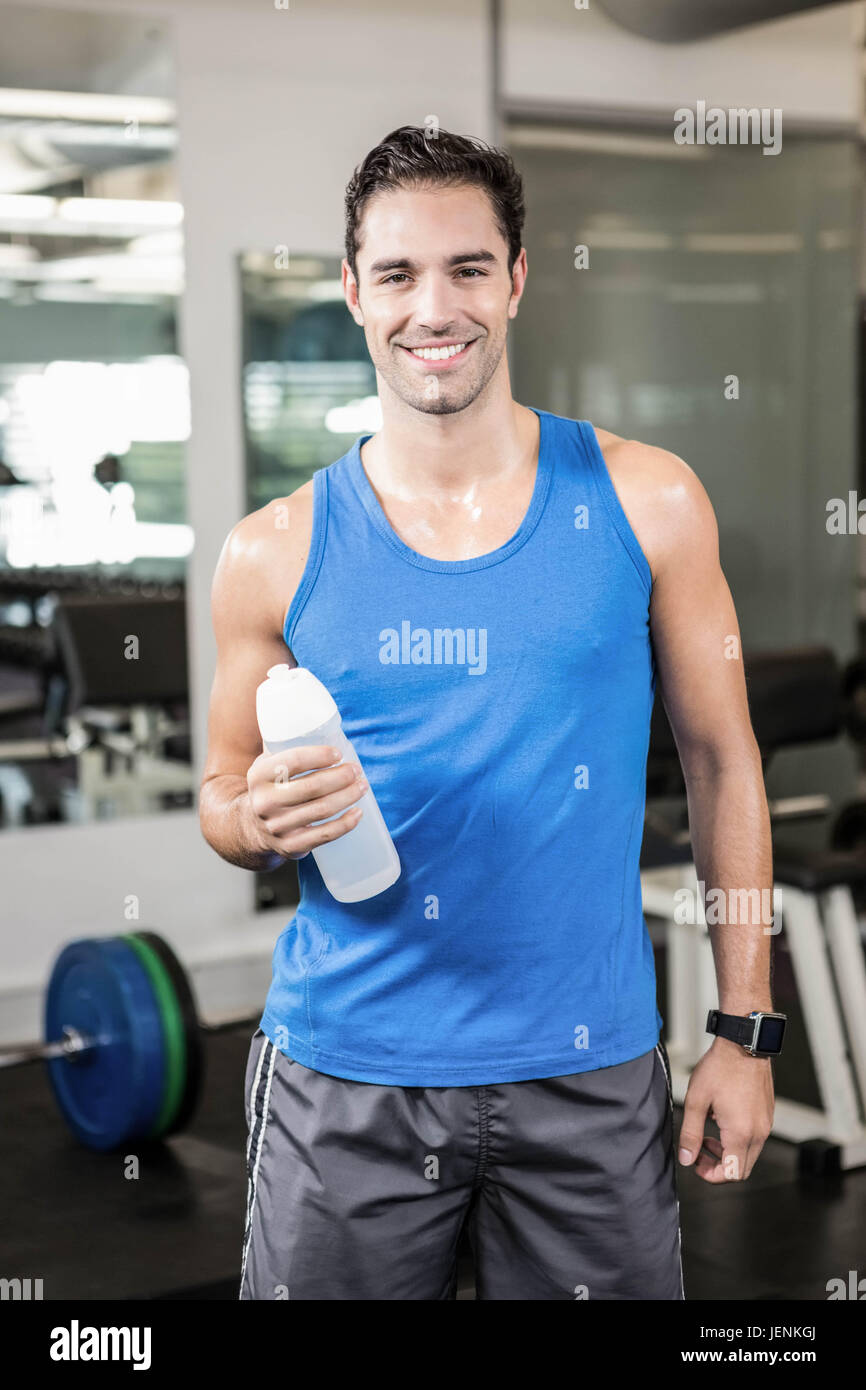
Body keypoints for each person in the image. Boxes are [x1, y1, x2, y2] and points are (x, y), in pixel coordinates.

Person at [200, 125, 776, 1301]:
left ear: (514, 280)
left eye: (466, 268)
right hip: (347, 1073)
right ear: (353, 290)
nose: (433, 308)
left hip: (587, 1068)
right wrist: (255, 815)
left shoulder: (646, 498)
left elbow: (723, 764)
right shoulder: (270, 550)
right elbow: (217, 799)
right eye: (398, 274)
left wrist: (744, 1028)